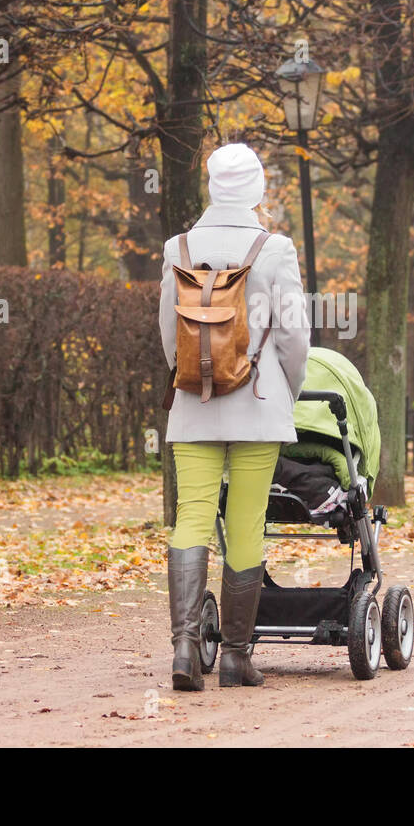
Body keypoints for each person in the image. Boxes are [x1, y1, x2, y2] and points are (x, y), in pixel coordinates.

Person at [159, 142, 310, 690]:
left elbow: (168, 334)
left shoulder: (178, 245)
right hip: (259, 403)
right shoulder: (275, 248)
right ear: (256, 189)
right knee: (245, 525)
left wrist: (195, 375)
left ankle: (183, 648)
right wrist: (285, 391)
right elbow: (294, 335)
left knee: (192, 518)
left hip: (194, 403)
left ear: (210, 185)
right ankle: (236, 657)